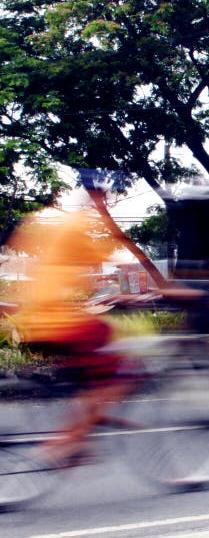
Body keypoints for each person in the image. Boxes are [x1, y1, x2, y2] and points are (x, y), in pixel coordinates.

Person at [8, 195, 131, 467]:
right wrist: (142, 293)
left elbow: (70, 270)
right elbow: (114, 263)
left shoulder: (47, 224)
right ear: (96, 200)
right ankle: (68, 441)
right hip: (58, 321)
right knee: (126, 367)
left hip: (38, 318)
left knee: (92, 369)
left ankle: (88, 418)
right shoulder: (76, 226)